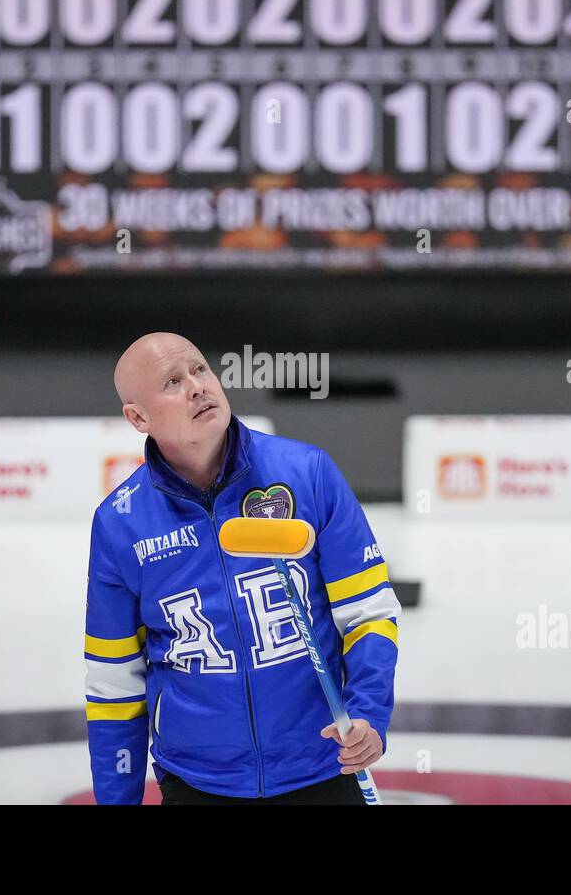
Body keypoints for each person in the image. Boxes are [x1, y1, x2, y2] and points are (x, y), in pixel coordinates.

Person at [83, 333, 400, 805]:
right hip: (197, 783)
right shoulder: (119, 524)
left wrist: (368, 713)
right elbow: (114, 684)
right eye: (172, 382)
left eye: (200, 370)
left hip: (323, 766)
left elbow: (368, 613)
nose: (197, 386)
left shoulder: (307, 473)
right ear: (138, 418)